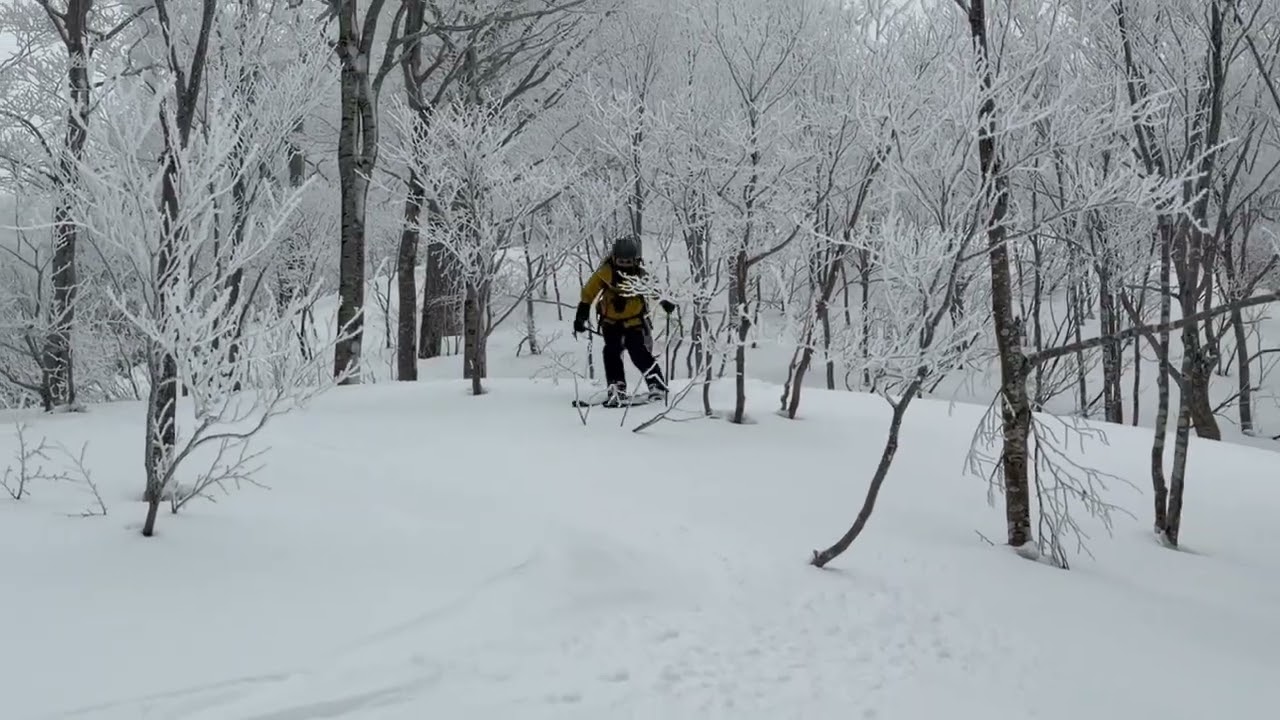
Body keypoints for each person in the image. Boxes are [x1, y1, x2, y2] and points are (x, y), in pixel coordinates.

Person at [574, 235, 675, 406]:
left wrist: (665, 301)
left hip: (634, 322)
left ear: (635, 260)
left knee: (638, 352)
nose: (625, 266)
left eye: (629, 262)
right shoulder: (605, 273)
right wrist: (581, 316)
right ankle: (616, 386)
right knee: (611, 352)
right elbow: (588, 293)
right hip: (610, 322)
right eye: (621, 261)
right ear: (614, 258)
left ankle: (656, 384)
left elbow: (654, 289)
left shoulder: (641, 273)